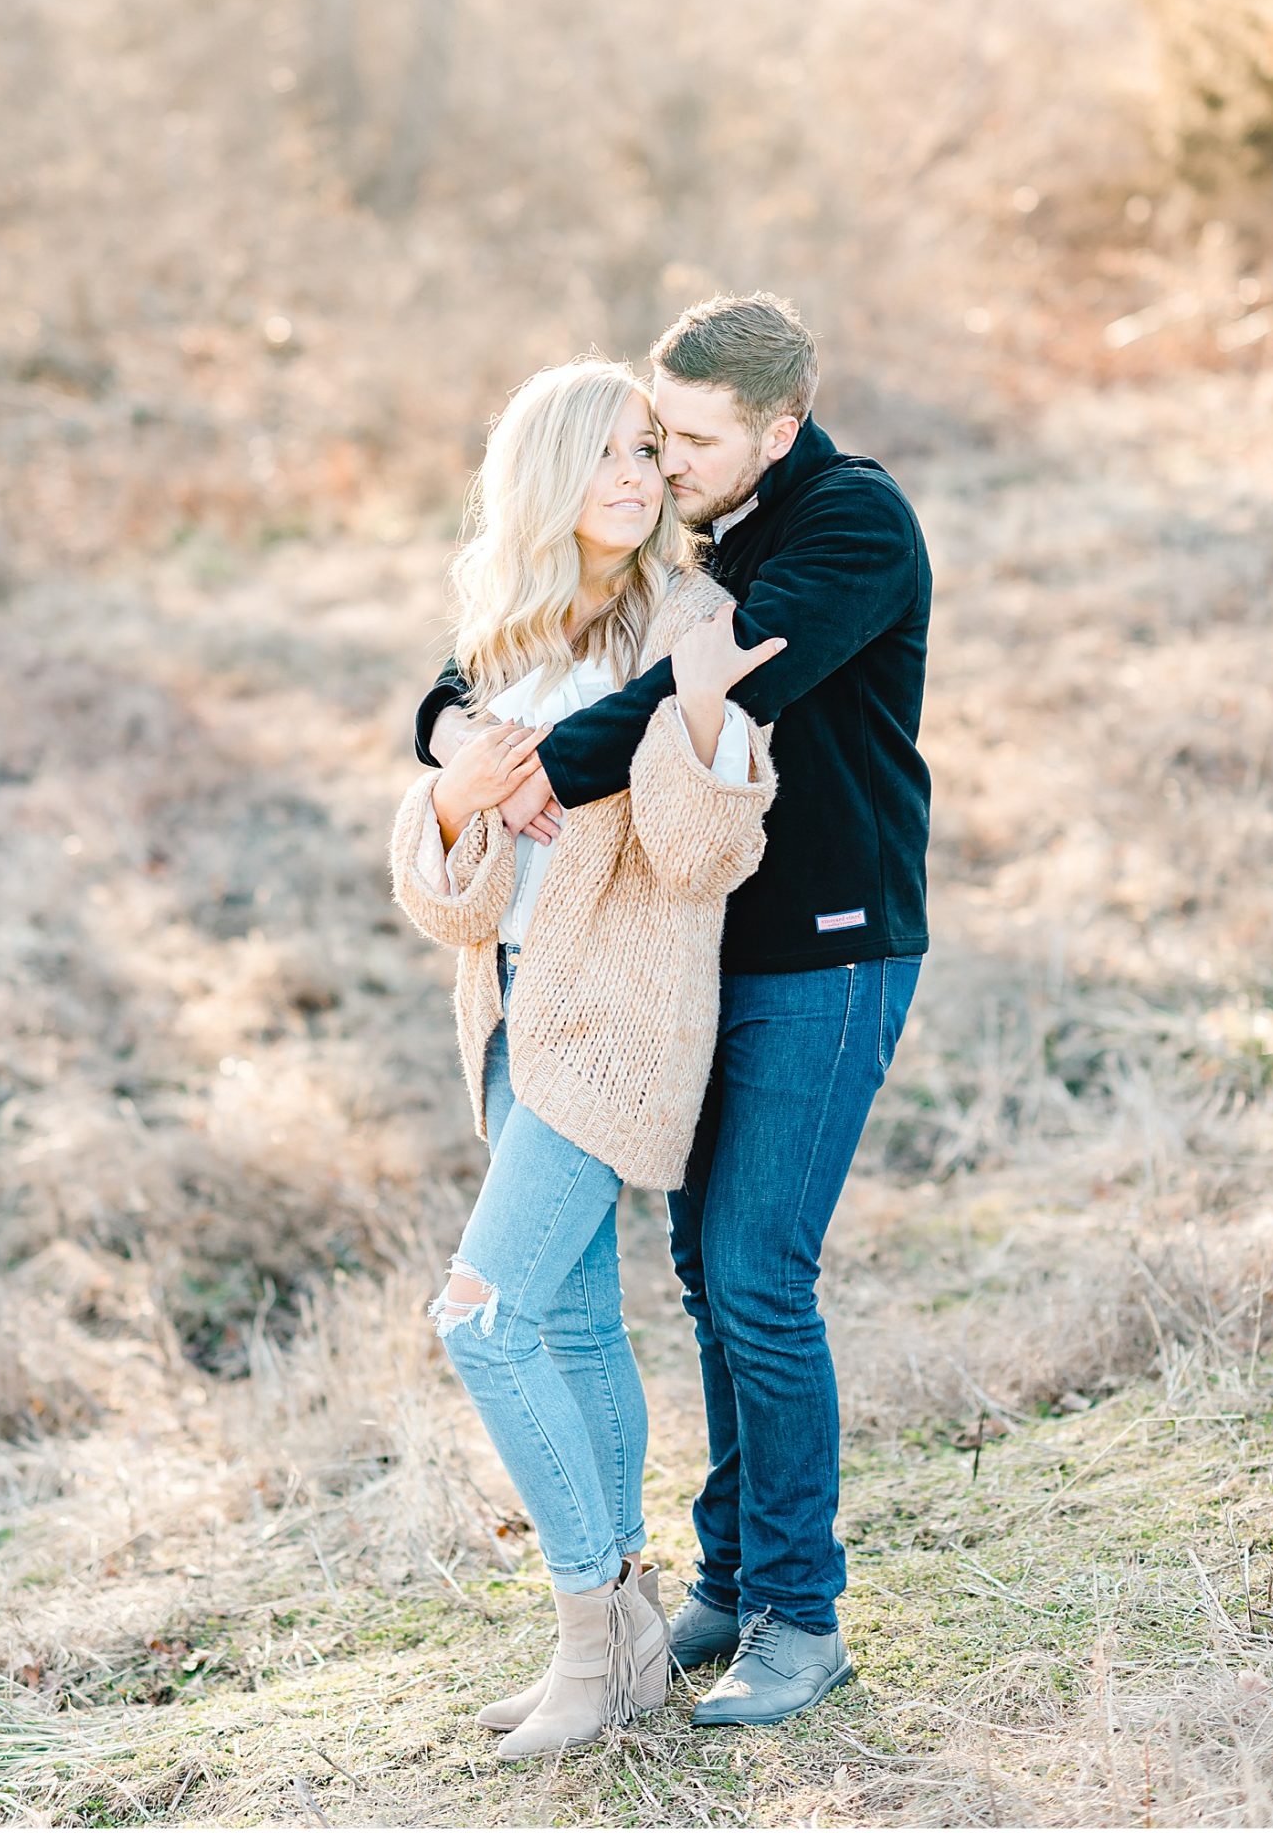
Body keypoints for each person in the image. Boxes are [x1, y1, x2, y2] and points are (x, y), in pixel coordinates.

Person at [416, 292, 932, 1728]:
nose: (667, 464)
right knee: (709, 1279)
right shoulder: (699, 531)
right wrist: (448, 731)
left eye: (692, 440)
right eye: (653, 433)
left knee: (759, 1277)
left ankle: (800, 1614)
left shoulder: (847, 528)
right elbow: (522, 651)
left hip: (825, 948)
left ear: (778, 427)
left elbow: (667, 706)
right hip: (700, 960)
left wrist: (516, 774)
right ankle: (723, 1582)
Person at [389, 356, 783, 1760]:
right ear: (546, 476)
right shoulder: (499, 648)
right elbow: (453, 904)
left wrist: (691, 718)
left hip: (617, 1028)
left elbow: (700, 857)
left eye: (644, 452)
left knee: (481, 1317)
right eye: (607, 455)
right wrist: (452, 795)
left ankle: (584, 1637)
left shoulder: (691, 618)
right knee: (566, 1324)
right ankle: (626, 1631)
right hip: (504, 1021)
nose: (637, 477)